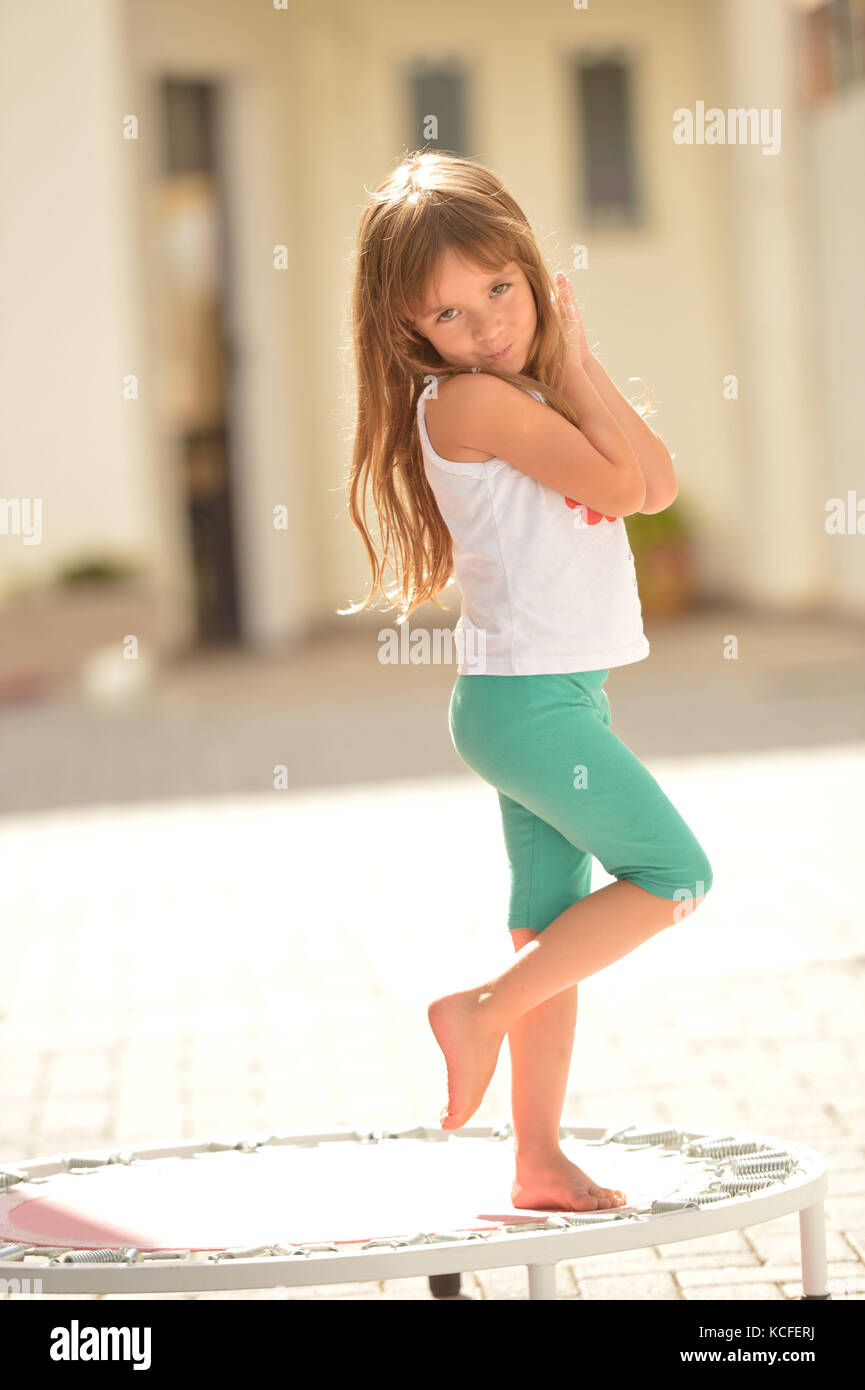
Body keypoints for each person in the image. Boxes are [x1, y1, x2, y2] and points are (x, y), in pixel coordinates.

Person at [341, 149, 713, 1213]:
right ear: (415, 335)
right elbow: (622, 486)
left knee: (551, 931)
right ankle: (476, 1013)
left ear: (533, 271)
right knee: (675, 873)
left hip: (551, 697)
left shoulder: (524, 386)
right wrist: (568, 379)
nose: (486, 324)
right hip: (525, 707)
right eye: (450, 315)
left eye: (500, 290)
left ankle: (537, 1157)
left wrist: (576, 360)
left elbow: (661, 478)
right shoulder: (468, 405)